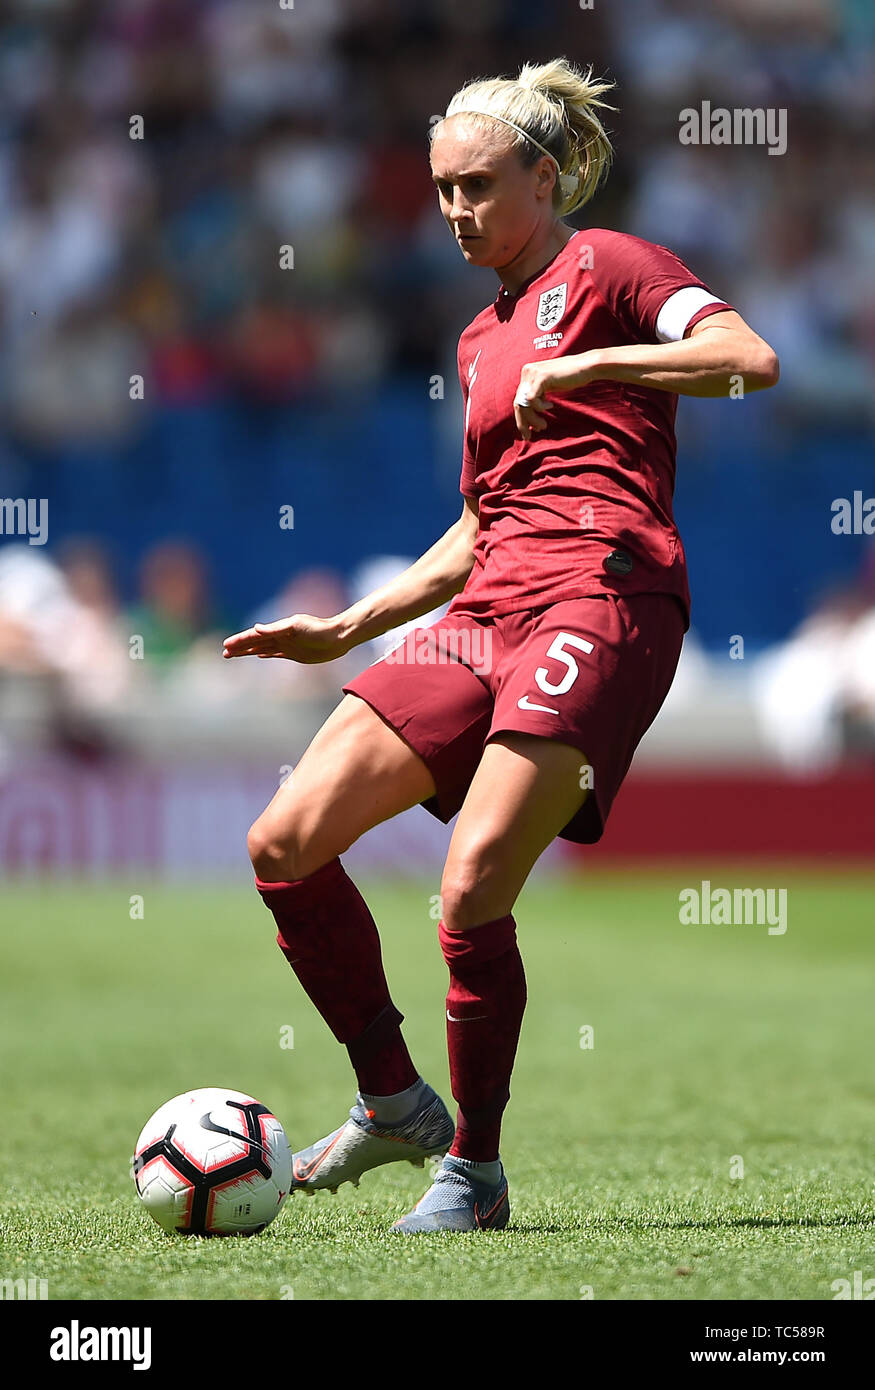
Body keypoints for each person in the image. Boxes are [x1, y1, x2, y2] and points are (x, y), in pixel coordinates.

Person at [222, 57, 779, 1234]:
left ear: (544, 174)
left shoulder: (614, 267)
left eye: (477, 186)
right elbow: (479, 523)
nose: (456, 212)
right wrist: (351, 626)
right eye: (438, 192)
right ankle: (390, 1098)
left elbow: (747, 359)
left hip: (605, 592)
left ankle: (472, 1174)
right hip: (485, 612)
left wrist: (593, 361)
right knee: (283, 839)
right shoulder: (478, 340)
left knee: (471, 881)